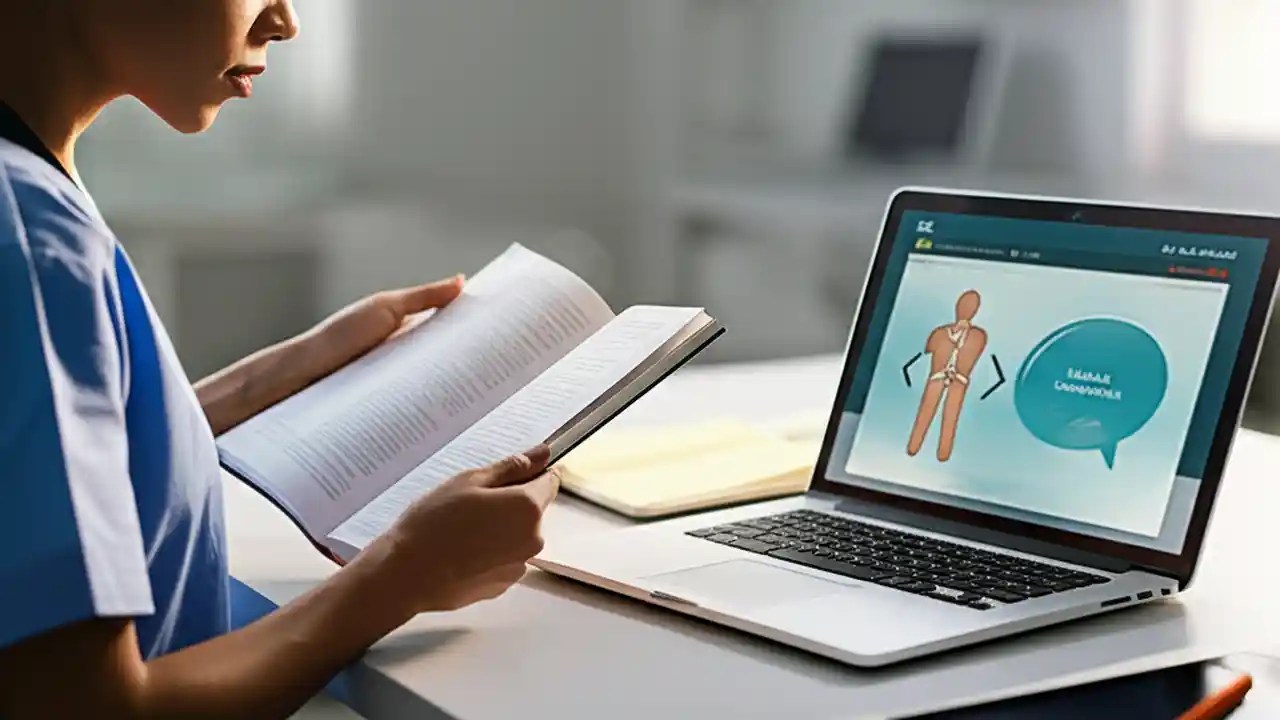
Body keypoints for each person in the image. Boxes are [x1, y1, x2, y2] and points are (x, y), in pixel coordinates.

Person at [0, 2, 560, 717]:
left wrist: (286, 372)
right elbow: (84, 707)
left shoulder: (26, 186)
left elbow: (49, 462)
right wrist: (404, 572)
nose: (285, 21)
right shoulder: (31, 237)